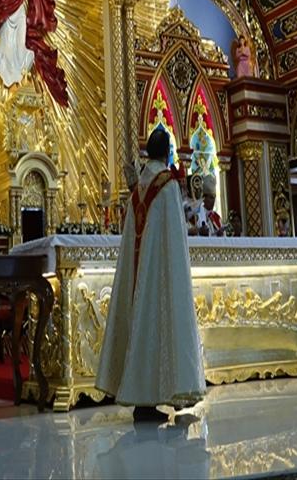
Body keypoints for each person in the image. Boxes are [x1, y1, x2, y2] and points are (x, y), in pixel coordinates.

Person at [96, 126, 205, 422]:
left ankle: (142, 401)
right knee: (159, 325)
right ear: (167, 152)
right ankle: (162, 393)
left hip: (137, 276)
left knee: (139, 326)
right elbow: (175, 239)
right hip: (159, 277)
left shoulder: (138, 191)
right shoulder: (167, 186)